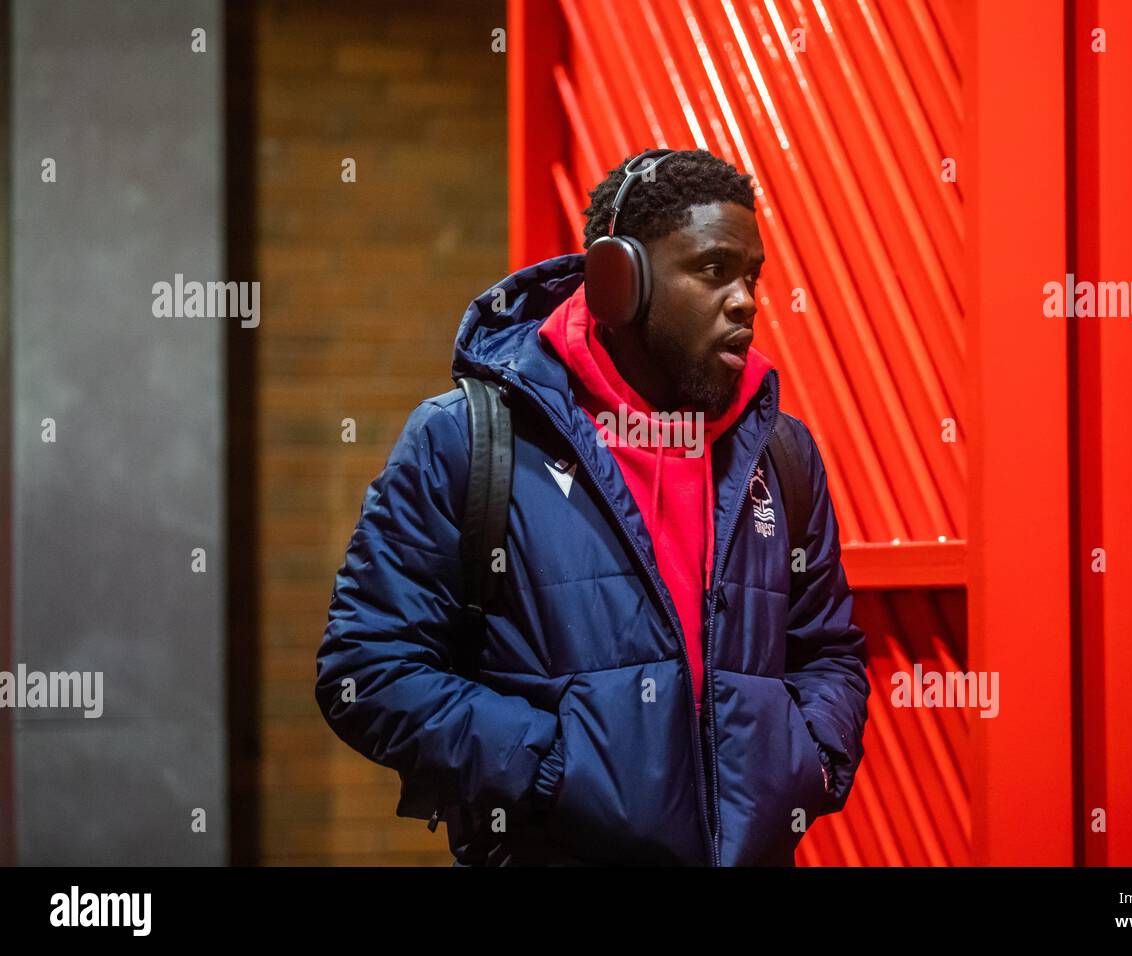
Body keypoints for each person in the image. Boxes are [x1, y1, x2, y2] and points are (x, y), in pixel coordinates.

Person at [315, 147, 869, 866]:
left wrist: (808, 760)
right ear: (619, 282)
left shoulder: (780, 454)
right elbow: (368, 668)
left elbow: (828, 651)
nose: (745, 301)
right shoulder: (468, 440)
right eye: (713, 270)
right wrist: (553, 768)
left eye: (751, 276)